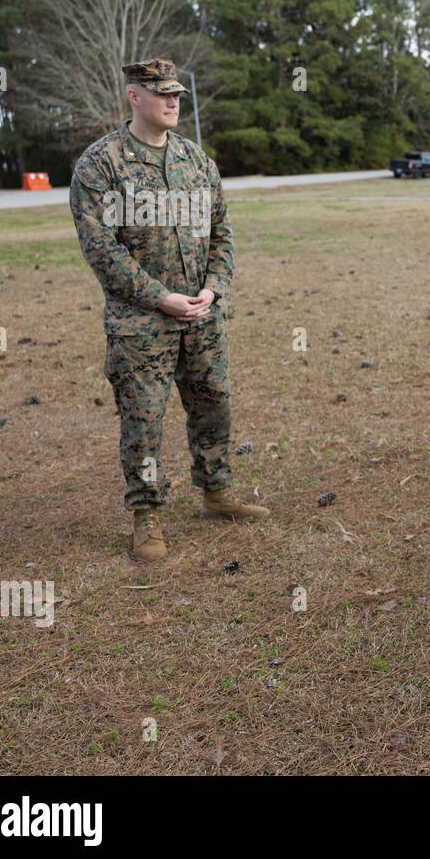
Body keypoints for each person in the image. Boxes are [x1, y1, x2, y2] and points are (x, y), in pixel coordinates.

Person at [71, 57, 270, 562]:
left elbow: (222, 231)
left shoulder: (195, 161)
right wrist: (160, 297)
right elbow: (102, 250)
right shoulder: (102, 164)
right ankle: (146, 514)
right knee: (144, 421)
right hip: (142, 325)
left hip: (202, 318)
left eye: (177, 93)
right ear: (134, 96)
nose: (173, 101)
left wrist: (214, 288)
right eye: (161, 93)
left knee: (213, 405)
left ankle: (216, 491)